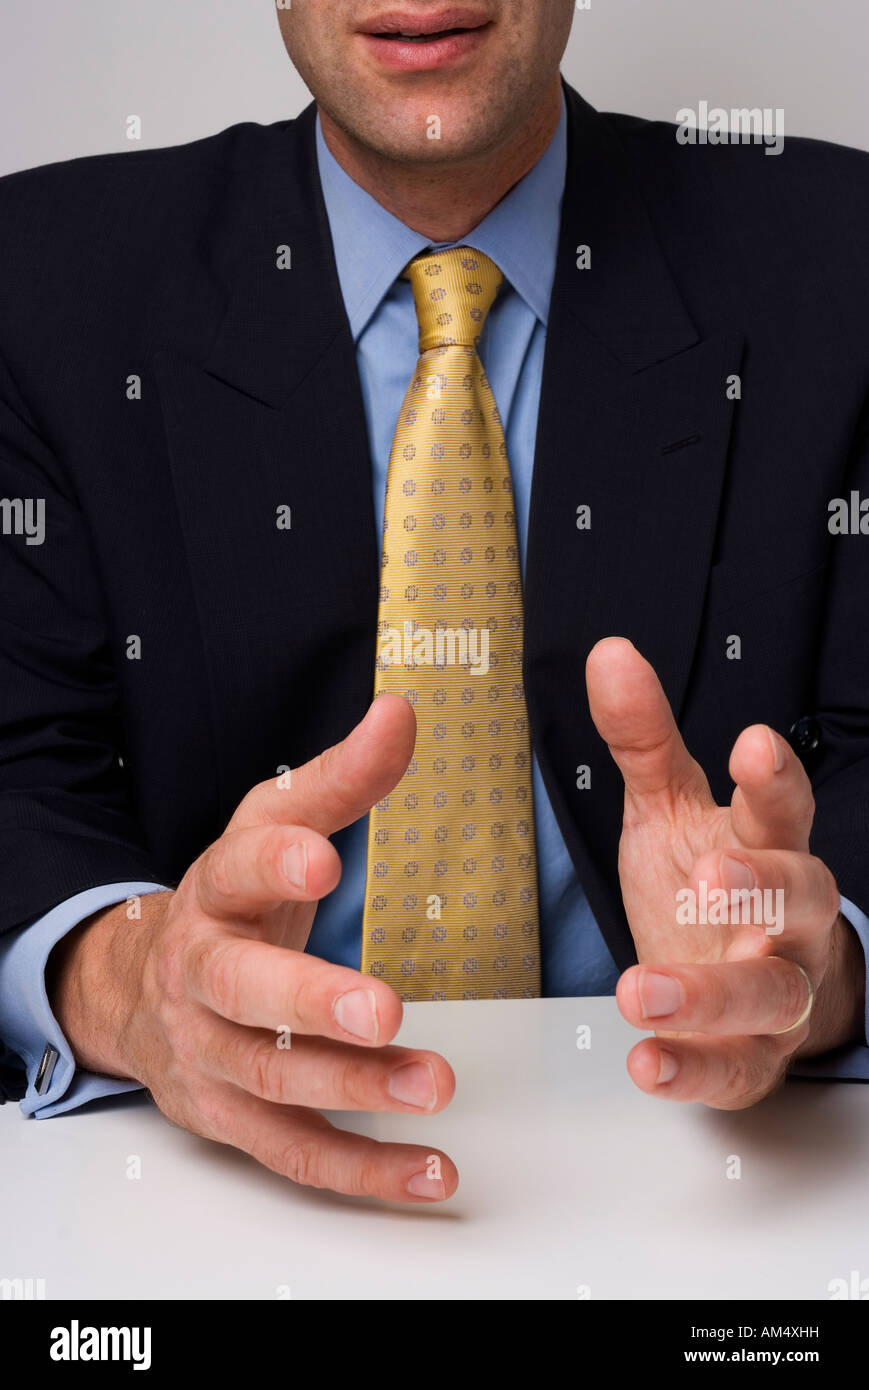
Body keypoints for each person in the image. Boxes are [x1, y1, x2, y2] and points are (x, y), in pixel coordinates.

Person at [0, 0, 867, 1204]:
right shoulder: (39, 279)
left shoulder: (843, 258)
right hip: (182, 1199)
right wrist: (127, 981)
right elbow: (15, 766)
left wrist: (820, 969)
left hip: (710, 1193)